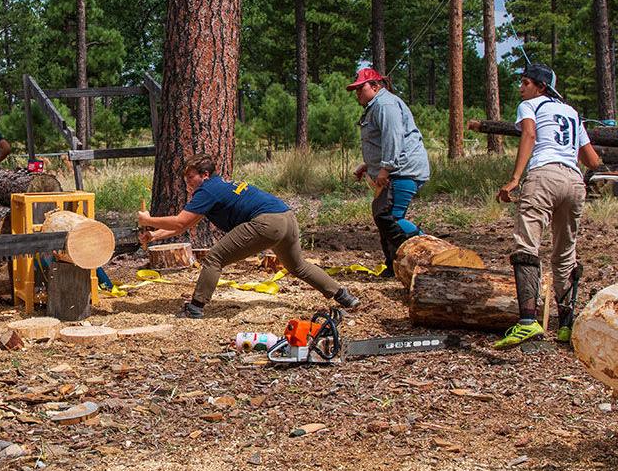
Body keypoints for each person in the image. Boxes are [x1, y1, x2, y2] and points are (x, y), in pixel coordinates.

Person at [137, 154, 360, 319]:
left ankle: (195, 308)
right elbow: (184, 226)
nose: (187, 182)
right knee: (298, 266)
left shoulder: (207, 190)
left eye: (191, 177)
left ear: (205, 175)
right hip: (286, 217)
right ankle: (343, 295)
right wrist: (154, 236)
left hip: (268, 222)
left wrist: (148, 219)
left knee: (214, 258)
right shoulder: (217, 186)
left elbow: (180, 221)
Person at [494, 63, 602, 348]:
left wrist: (515, 178)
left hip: (543, 176)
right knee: (565, 252)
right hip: (574, 181)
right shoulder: (571, 112)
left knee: (526, 245)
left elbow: (529, 135)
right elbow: (591, 160)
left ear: (541, 87)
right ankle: (566, 326)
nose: (521, 87)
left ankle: (527, 322)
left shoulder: (530, 105)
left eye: (526, 82)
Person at [347, 67, 430, 277]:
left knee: (389, 216)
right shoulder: (376, 106)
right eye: (355, 90)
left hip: (402, 170)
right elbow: (380, 141)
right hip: (394, 169)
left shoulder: (385, 104)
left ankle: (427, 250)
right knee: (381, 213)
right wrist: (368, 166)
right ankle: (394, 266)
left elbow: (394, 137)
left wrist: (385, 168)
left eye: (361, 88)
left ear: (375, 86)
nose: (358, 93)